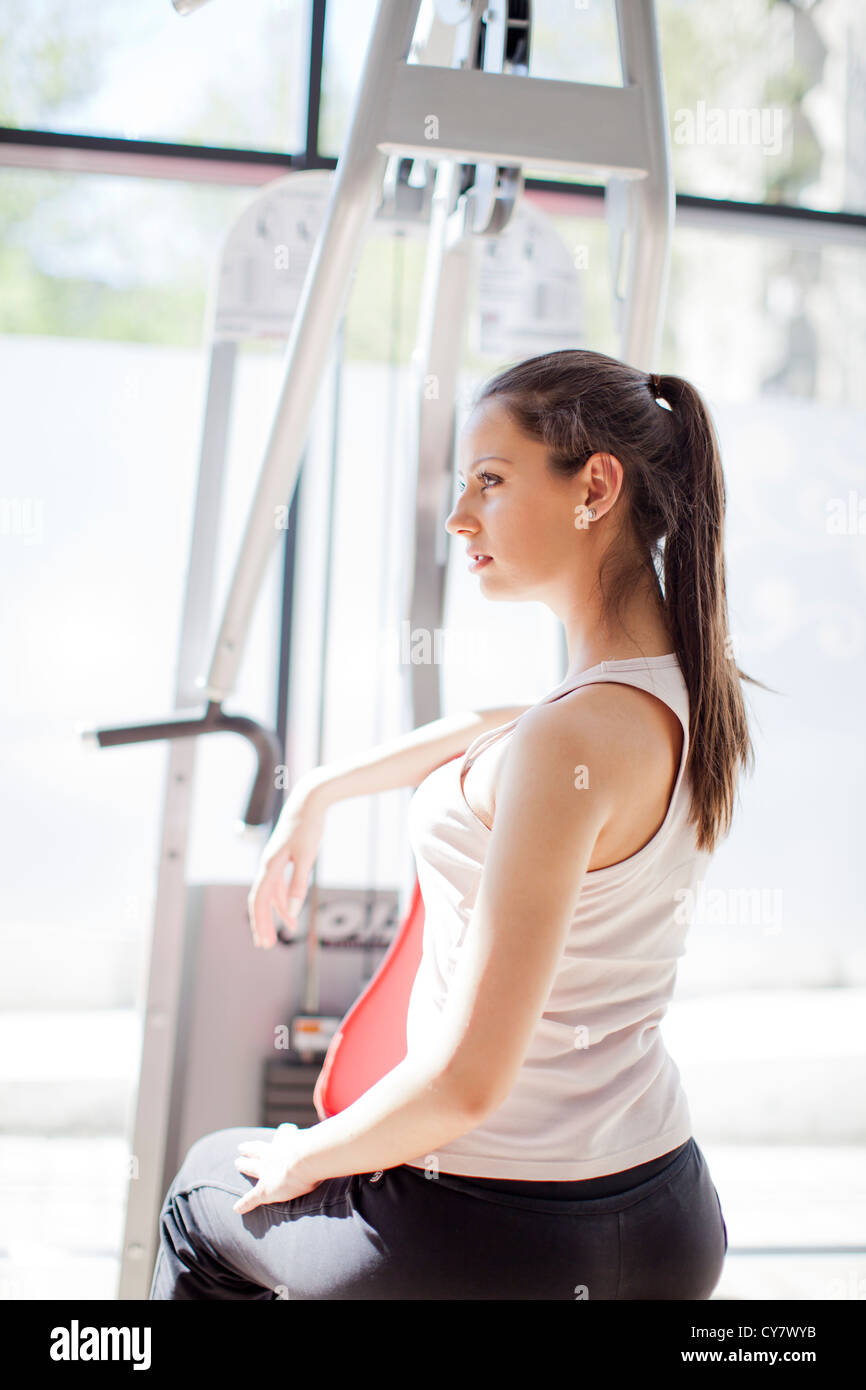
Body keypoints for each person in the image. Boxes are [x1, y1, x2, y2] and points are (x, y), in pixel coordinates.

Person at [150, 347, 763, 1300]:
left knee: (203, 1190)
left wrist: (307, 1155)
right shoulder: (678, 695)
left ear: (594, 485)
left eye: (491, 479)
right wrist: (318, 790)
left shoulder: (571, 738)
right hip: (666, 1212)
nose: (458, 515)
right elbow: (497, 730)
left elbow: (464, 1087)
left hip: (494, 1229)